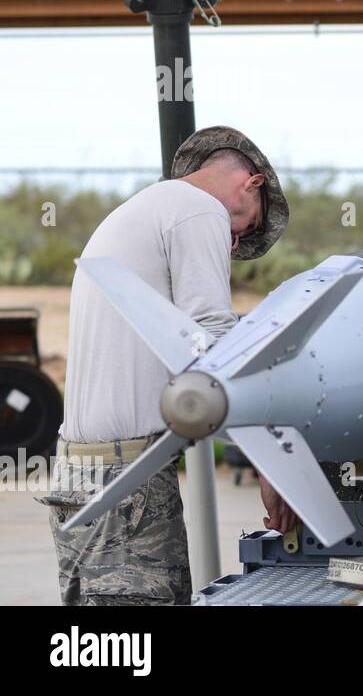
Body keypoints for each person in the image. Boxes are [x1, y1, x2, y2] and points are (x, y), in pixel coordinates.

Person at [41, 126, 297, 605]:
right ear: (251, 184)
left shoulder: (143, 210)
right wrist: (275, 467)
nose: (236, 243)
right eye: (246, 229)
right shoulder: (199, 210)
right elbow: (216, 349)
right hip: (127, 483)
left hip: (82, 473)